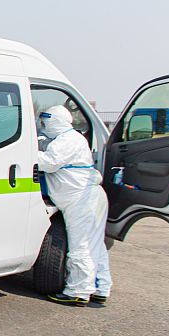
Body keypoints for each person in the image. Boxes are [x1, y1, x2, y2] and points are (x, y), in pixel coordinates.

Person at [36, 105, 112, 307]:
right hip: (86, 198)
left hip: (82, 200)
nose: (43, 126)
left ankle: (78, 292)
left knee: (82, 246)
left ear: (56, 122)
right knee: (96, 246)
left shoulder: (70, 140)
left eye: (45, 122)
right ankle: (100, 288)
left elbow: (49, 162)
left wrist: (23, 152)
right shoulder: (64, 139)